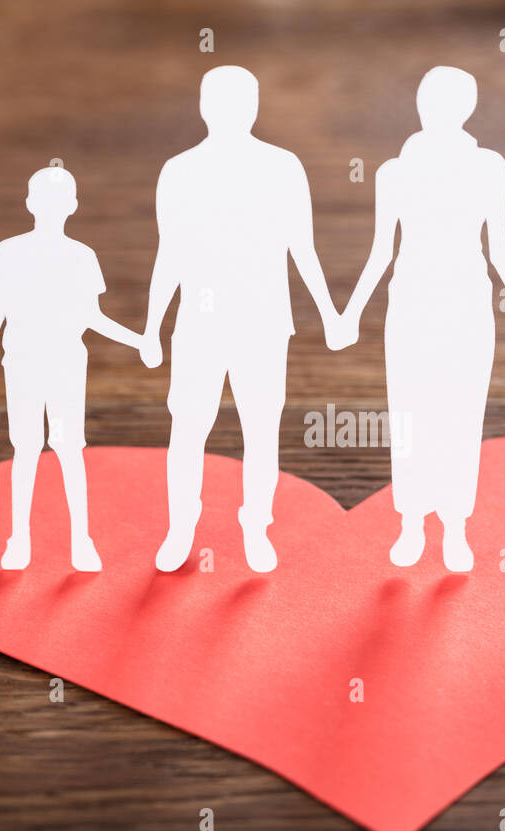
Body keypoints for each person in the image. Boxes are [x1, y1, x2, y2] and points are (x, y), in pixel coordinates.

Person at [341, 66, 505, 572]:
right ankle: (412, 524)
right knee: (412, 414)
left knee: (460, 413)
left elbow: (499, 250)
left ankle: (454, 527)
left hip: (467, 303)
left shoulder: (488, 168)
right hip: (412, 301)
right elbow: (381, 253)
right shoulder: (394, 173)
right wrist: (349, 314)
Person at [139, 65, 347, 573]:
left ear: (253, 108)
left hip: (261, 321)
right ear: (206, 108)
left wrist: (330, 314)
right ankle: (181, 528)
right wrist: (152, 326)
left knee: (259, 428)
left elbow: (303, 248)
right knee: (189, 426)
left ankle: (256, 526)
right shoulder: (180, 171)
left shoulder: (282, 167)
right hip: (201, 324)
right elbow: (170, 253)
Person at [0, 166, 148, 572]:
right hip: (22, 365)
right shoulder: (9, 253)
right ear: (29, 203)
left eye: (59, 199)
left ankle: (81, 539)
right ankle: (18, 539)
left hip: (65, 365)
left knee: (68, 449)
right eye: (43, 198)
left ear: (73, 206)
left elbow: (92, 317)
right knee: (26, 449)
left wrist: (138, 340)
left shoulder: (82, 257)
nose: (50, 206)